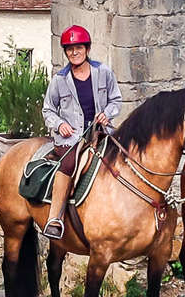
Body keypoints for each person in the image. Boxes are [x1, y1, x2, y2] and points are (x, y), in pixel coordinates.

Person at [39, 25, 123, 240]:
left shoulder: (103, 72)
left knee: (123, 157)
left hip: (102, 132)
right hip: (72, 137)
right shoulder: (59, 79)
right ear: (65, 52)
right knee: (68, 164)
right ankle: (55, 217)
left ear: (86, 48)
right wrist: (59, 124)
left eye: (78, 48)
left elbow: (116, 100)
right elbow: (48, 108)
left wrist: (107, 113)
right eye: (69, 49)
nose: (74, 53)